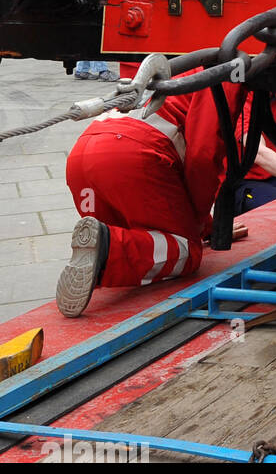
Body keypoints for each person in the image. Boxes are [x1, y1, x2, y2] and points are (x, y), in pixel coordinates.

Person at [56, 80, 247, 318]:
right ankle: (108, 251)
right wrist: (197, 225)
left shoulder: (178, 70)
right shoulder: (225, 75)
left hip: (82, 155)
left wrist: (208, 226)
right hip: (131, 156)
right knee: (187, 251)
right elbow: (203, 157)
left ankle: (100, 251)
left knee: (129, 233)